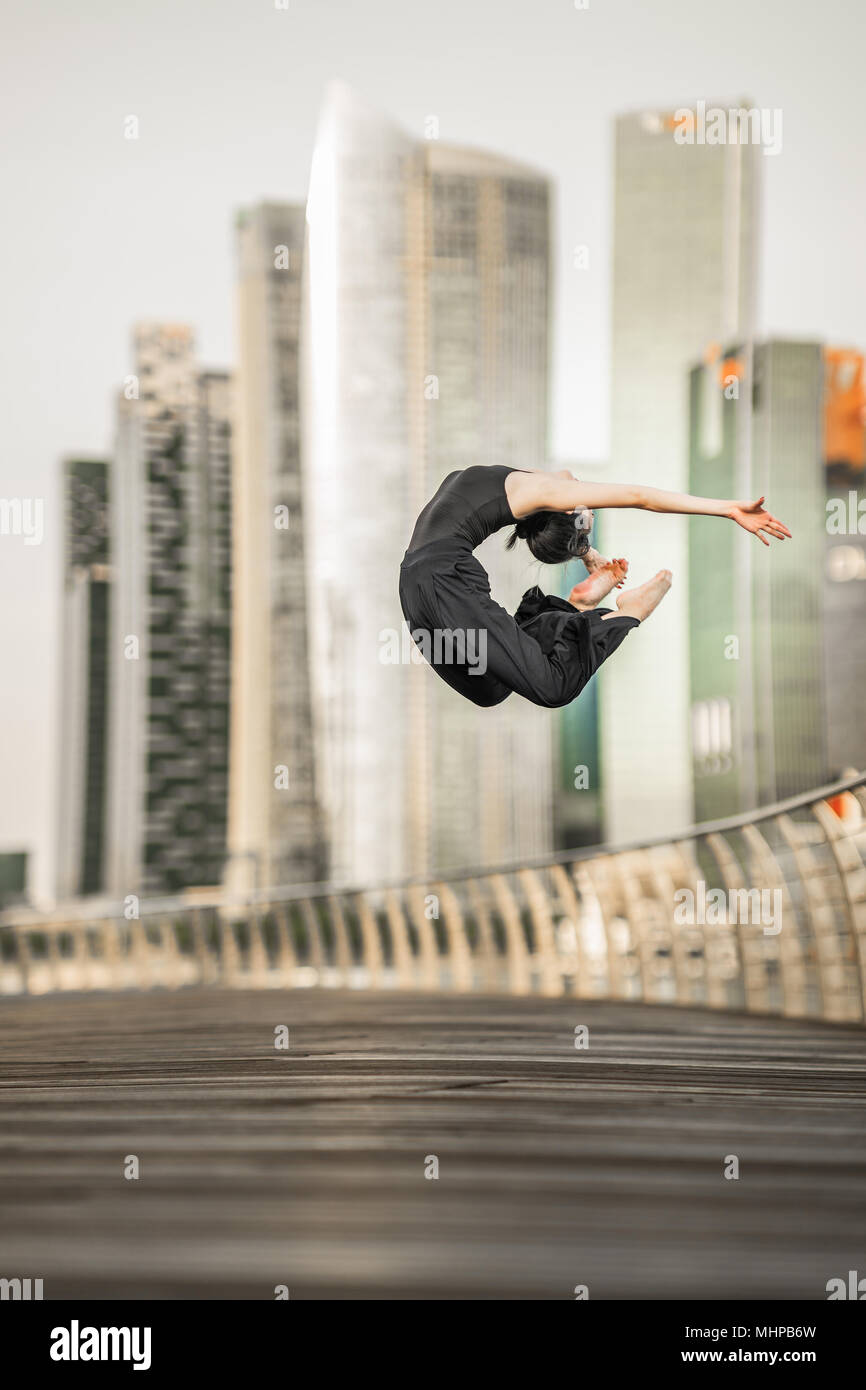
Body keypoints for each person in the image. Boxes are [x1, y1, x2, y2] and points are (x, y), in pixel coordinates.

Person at [398, 464, 790, 710]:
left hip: (417, 585)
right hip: (439, 579)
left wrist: (588, 555)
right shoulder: (538, 491)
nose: (586, 496)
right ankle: (628, 612)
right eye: (588, 514)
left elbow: (620, 497)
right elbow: (632, 496)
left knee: (491, 688)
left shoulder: (519, 484)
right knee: (549, 688)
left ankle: (577, 608)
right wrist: (727, 508)